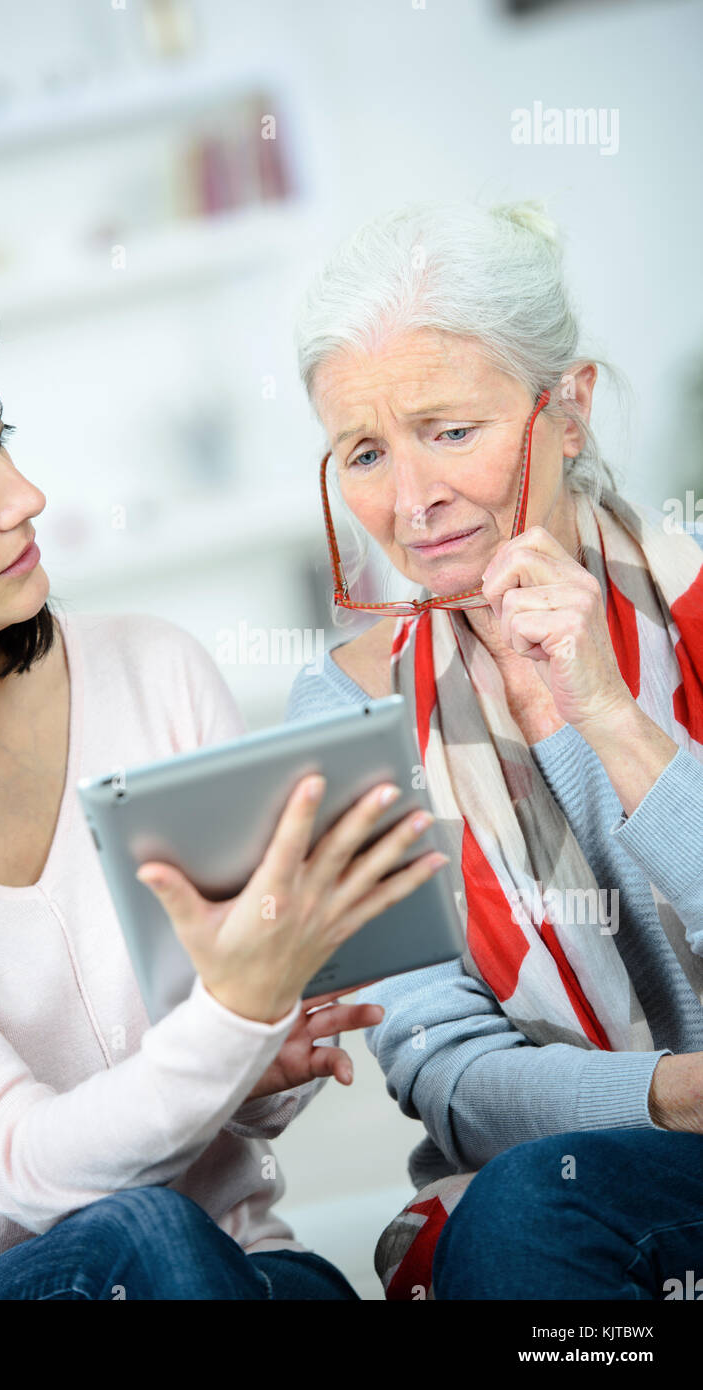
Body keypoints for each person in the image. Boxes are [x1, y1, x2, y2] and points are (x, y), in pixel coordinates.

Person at [0, 288, 444, 1301]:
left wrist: (256, 1059)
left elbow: (221, 1092)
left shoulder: (152, 670)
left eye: (3, 441)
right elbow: (26, 1163)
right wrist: (235, 1016)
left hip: (225, 1266)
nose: (24, 494)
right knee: (143, 1233)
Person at [285, 198, 703, 1300]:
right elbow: (447, 1073)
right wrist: (673, 1094)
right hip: (596, 1189)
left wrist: (611, 714)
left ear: (569, 409)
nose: (413, 502)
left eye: (450, 430)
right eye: (366, 451)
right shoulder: (340, 712)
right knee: (526, 1207)